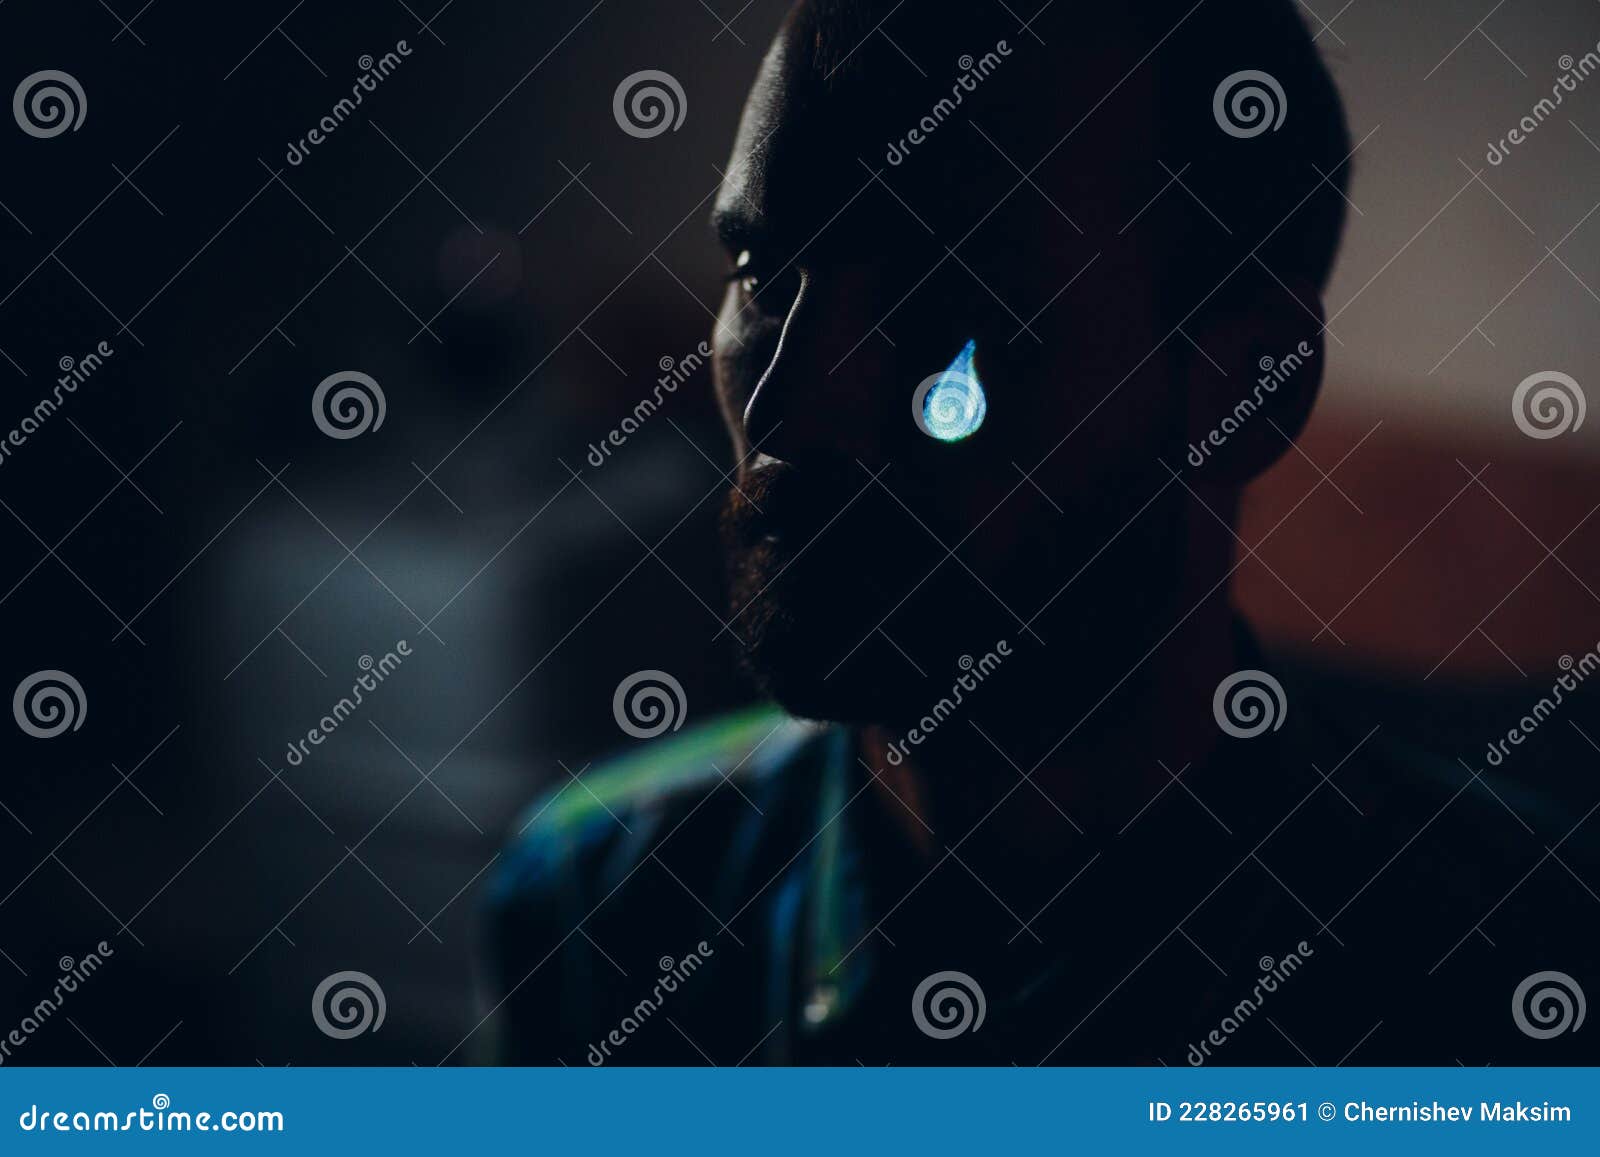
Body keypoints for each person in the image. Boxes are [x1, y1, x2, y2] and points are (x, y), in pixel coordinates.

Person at [487, 0, 1599, 1064]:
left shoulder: (1518, 968)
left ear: (1249, 383)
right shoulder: (602, 911)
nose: (792, 402)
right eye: (763, 273)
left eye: (951, 293)